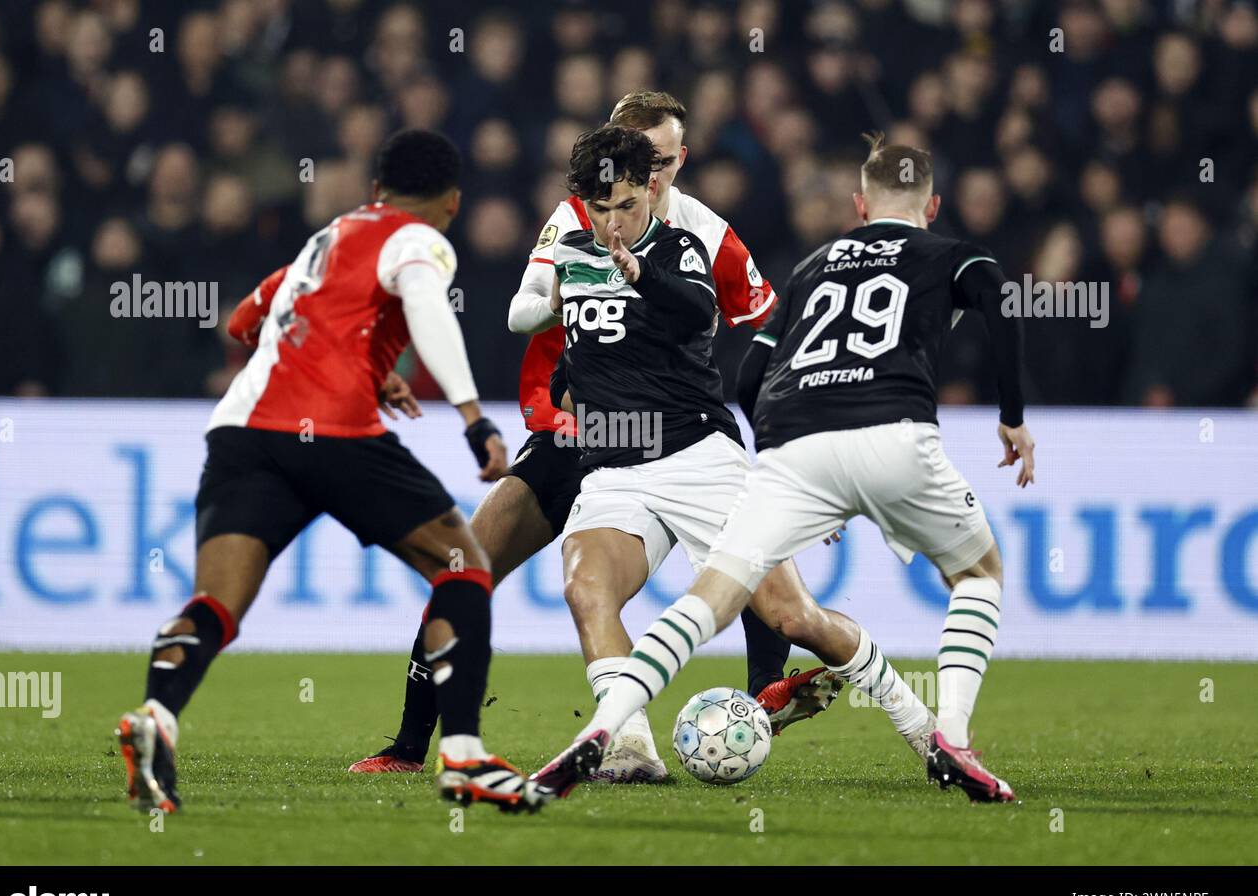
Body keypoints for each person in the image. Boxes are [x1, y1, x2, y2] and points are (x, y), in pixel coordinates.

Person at [536, 132, 1034, 805]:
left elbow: (696, 313)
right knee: (585, 589)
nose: (612, 222)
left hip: (697, 458)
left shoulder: (681, 250)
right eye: (599, 210)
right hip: (615, 469)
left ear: (651, 191)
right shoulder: (569, 258)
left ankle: (917, 725)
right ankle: (626, 747)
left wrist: (638, 274)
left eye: (625, 204)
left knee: (793, 618)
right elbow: (578, 362)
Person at [351, 92, 815, 783]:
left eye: (659, 161)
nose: (642, 175)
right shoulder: (578, 217)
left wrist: (793, 447)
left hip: (676, 436)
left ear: (678, 160)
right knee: (466, 565)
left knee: (758, 579)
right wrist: (561, 300)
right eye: (632, 156)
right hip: (575, 435)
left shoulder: (706, 235)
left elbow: (772, 333)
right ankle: (411, 743)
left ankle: (756, 704)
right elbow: (521, 310)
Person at [116, 130, 543, 815]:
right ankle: (463, 755)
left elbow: (245, 322)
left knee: (217, 605)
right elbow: (427, 307)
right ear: (453, 203)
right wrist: (473, 417)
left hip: (243, 432)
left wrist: (364, 369)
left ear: (375, 189)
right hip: (334, 433)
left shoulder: (327, 240)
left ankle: (156, 718)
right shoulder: (419, 239)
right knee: (464, 566)